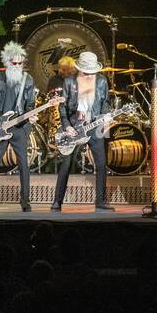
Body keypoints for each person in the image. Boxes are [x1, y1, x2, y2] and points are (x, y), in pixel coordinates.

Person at [50, 50, 113, 212]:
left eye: (92, 72)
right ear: (79, 69)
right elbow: (62, 107)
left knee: (101, 164)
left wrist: (106, 117)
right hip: (73, 127)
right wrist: (67, 126)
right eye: (86, 72)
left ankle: (100, 201)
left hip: (95, 126)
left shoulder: (102, 81)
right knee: (66, 164)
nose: (89, 75)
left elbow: (105, 102)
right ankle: (57, 202)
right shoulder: (69, 81)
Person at [0, 41, 38, 212]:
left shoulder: (28, 80)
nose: (18, 66)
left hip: (19, 127)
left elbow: (30, 106)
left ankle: (25, 202)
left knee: (24, 165)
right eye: (14, 63)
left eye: (20, 63)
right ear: (7, 62)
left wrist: (32, 116)